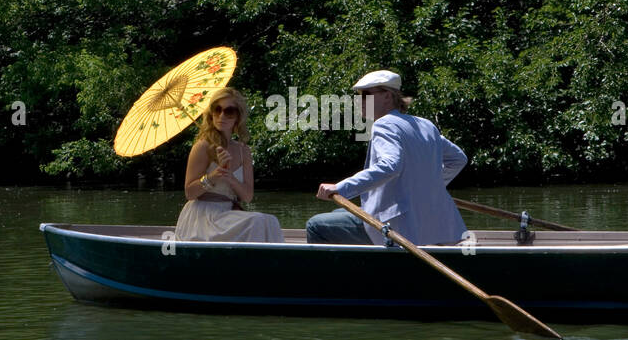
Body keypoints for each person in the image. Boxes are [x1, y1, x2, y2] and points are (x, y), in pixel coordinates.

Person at [308, 70, 468, 246]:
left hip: (398, 226)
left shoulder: (384, 124)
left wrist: (340, 188)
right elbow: (458, 159)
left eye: (366, 94)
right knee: (336, 215)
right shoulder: (425, 125)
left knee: (316, 225)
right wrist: (423, 187)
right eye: (358, 95)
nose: (359, 100)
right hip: (436, 225)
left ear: (387, 96)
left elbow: (390, 166)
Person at [174, 87, 285, 243]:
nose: (221, 116)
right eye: (217, 109)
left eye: (229, 111)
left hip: (229, 214)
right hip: (203, 217)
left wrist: (230, 177)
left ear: (237, 117)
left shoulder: (243, 151)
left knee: (270, 221)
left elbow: (247, 196)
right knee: (258, 221)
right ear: (211, 113)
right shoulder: (202, 146)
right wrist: (214, 176)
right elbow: (190, 193)